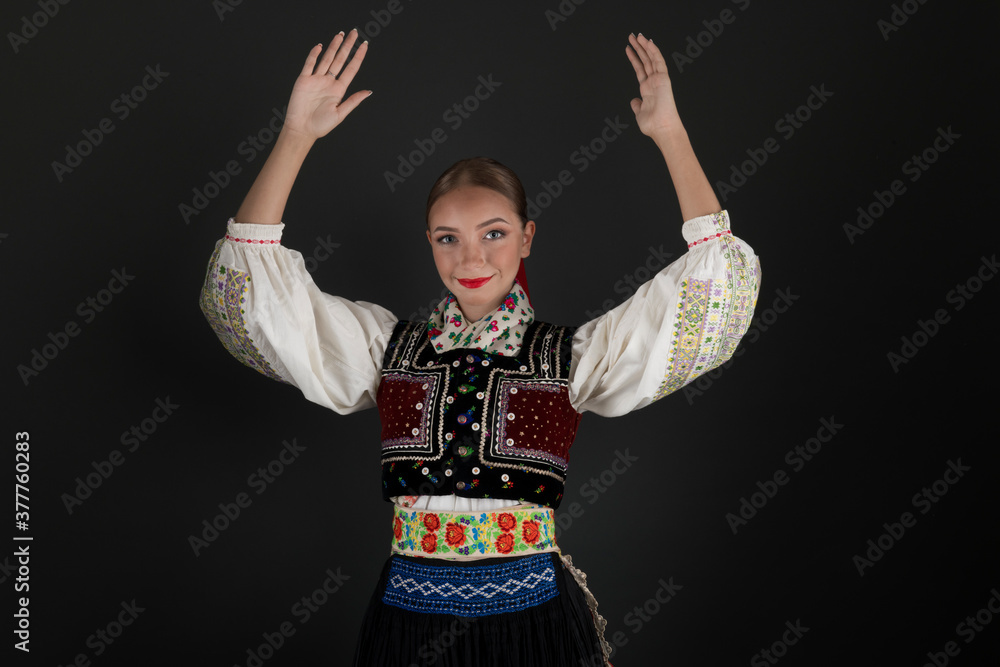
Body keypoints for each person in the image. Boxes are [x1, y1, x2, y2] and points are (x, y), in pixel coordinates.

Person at [199, 28, 761, 667]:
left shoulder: (569, 358)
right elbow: (250, 293)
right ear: (429, 243)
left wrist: (670, 134)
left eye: (493, 233)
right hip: (409, 617)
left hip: (533, 621)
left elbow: (716, 285)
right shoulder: (387, 350)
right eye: (447, 237)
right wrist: (296, 136)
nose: (470, 256)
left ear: (526, 238)